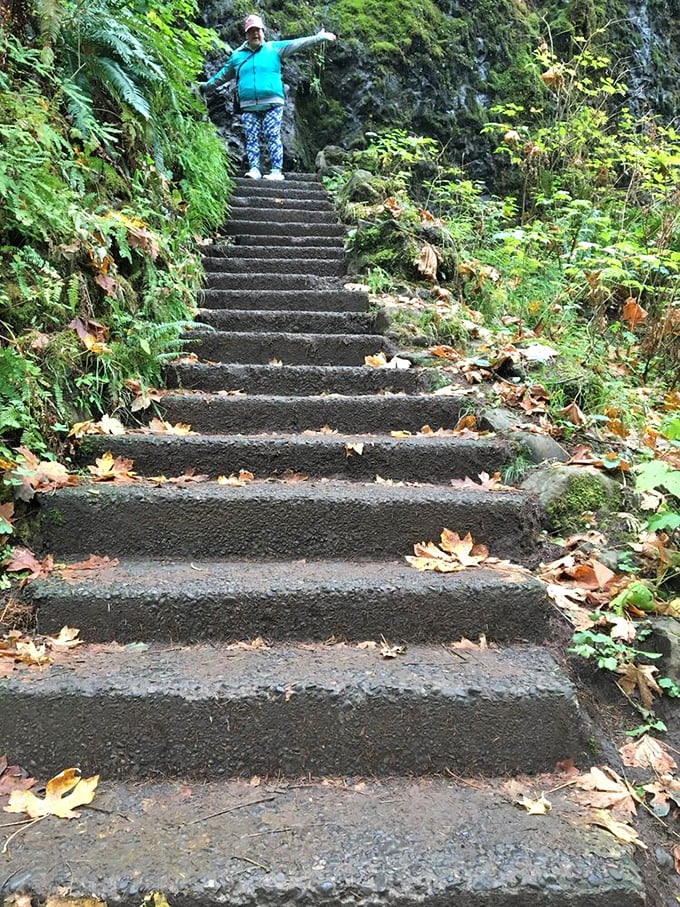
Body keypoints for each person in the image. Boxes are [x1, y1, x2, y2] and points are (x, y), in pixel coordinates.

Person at [200, 14, 336, 181]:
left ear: (263, 32)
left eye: (258, 30)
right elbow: (222, 76)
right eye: (251, 31)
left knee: (272, 135)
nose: (255, 34)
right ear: (246, 34)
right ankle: (254, 169)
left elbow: (297, 43)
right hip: (249, 105)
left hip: (272, 103)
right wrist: (205, 87)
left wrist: (319, 38)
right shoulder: (237, 56)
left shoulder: (274, 48)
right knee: (251, 138)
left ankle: (276, 171)